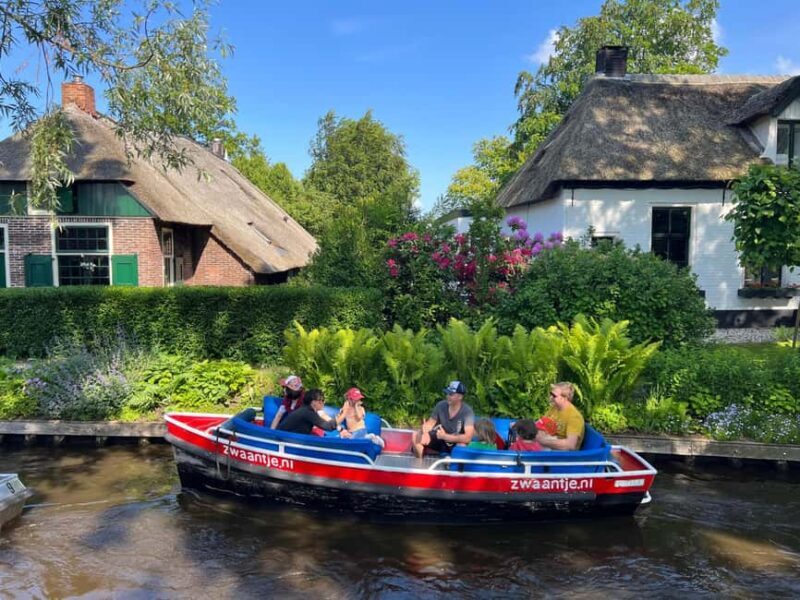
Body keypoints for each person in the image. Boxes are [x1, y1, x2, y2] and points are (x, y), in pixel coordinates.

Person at [412, 380, 475, 458]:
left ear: (460, 397)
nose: (448, 396)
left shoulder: (467, 412)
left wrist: (445, 436)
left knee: (461, 446)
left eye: (451, 394)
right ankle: (420, 465)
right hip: (440, 438)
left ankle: (455, 467)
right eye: (447, 393)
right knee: (416, 435)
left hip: (455, 441)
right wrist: (424, 428)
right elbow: (431, 423)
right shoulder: (440, 405)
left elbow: (467, 438)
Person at [536, 382, 585, 451]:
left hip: (561, 454)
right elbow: (541, 423)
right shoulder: (554, 408)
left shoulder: (574, 417)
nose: (550, 397)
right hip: (549, 442)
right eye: (551, 394)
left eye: (554, 395)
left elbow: (570, 445)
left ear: (565, 398)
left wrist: (544, 441)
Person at [277, 389, 346, 435]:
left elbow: (325, 421)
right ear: (313, 402)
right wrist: (344, 413)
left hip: (286, 437)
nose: (323, 403)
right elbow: (328, 427)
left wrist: (341, 429)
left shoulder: (305, 409)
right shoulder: (308, 413)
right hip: (285, 440)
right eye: (321, 400)